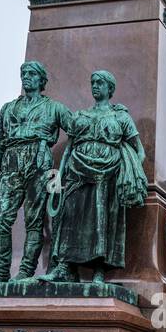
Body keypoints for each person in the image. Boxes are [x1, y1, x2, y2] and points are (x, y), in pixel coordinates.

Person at [43, 70, 148, 284]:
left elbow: (140, 151)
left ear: (110, 89)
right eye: (93, 82)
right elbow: (69, 148)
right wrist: (58, 176)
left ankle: (100, 270)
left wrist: (129, 171)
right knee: (70, 215)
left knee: (102, 219)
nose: (95, 86)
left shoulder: (121, 117)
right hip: (77, 169)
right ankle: (64, 267)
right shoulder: (80, 116)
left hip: (108, 173)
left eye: (100, 82)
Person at [0, 63, 70, 283]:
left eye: (31, 74)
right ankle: (1, 271)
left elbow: (77, 129)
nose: (26, 78)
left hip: (39, 160)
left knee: (34, 221)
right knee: (0, 220)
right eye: (23, 74)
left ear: (42, 81)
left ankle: (26, 271)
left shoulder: (54, 108)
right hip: (11, 161)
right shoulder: (8, 108)